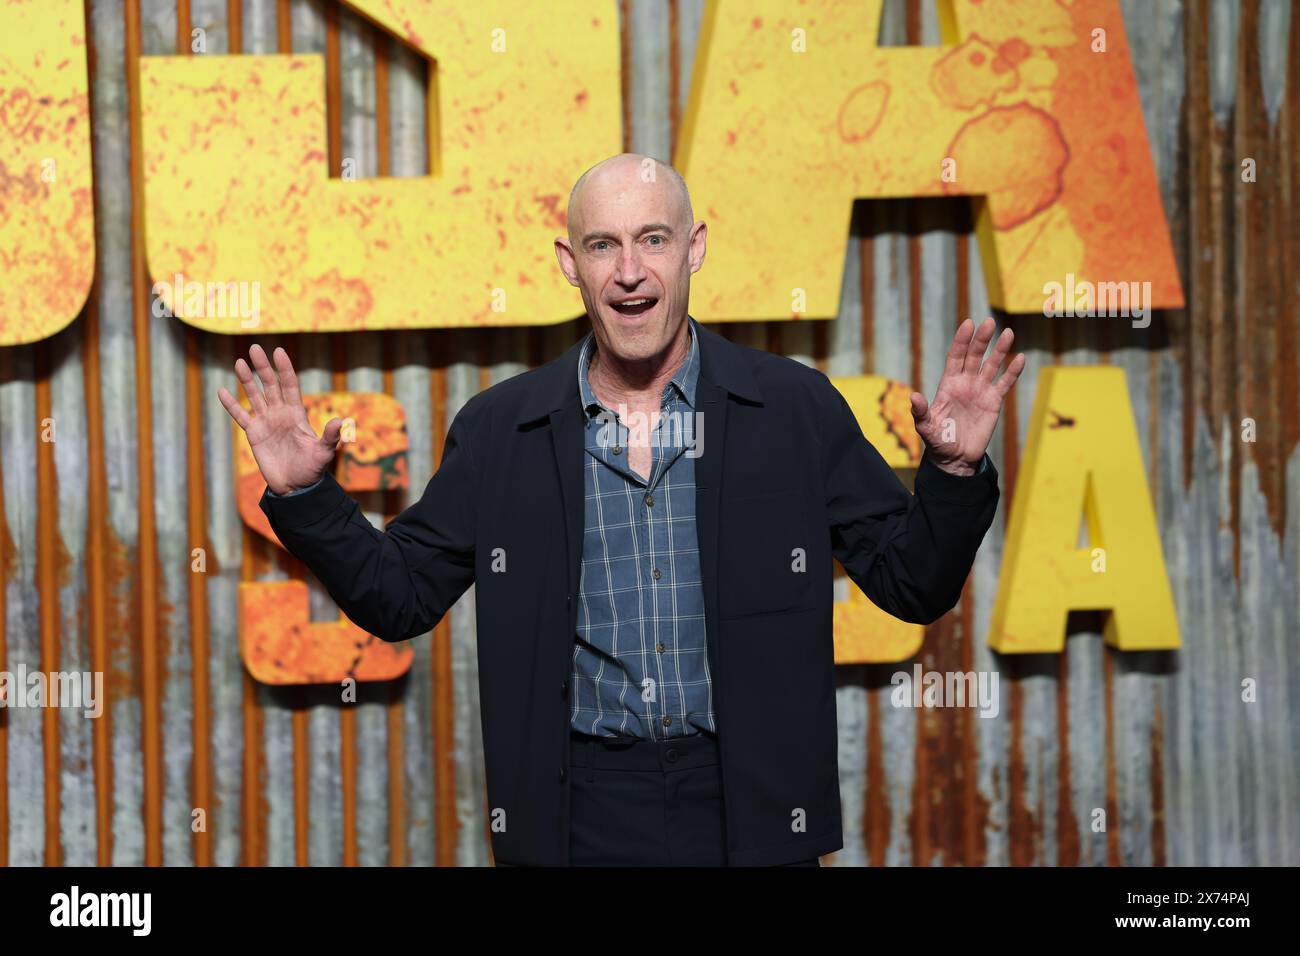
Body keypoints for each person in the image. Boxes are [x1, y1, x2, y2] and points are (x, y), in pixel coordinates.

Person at [218, 153, 1024, 866]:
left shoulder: (792, 408)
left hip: (752, 812)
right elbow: (398, 597)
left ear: (694, 248)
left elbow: (912, 585)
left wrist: (952, 470)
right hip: (578, 817)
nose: (629, 270)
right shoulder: (502, 430)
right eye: (603, 245)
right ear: (571, 264)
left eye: (653, 239)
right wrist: (304, 494)